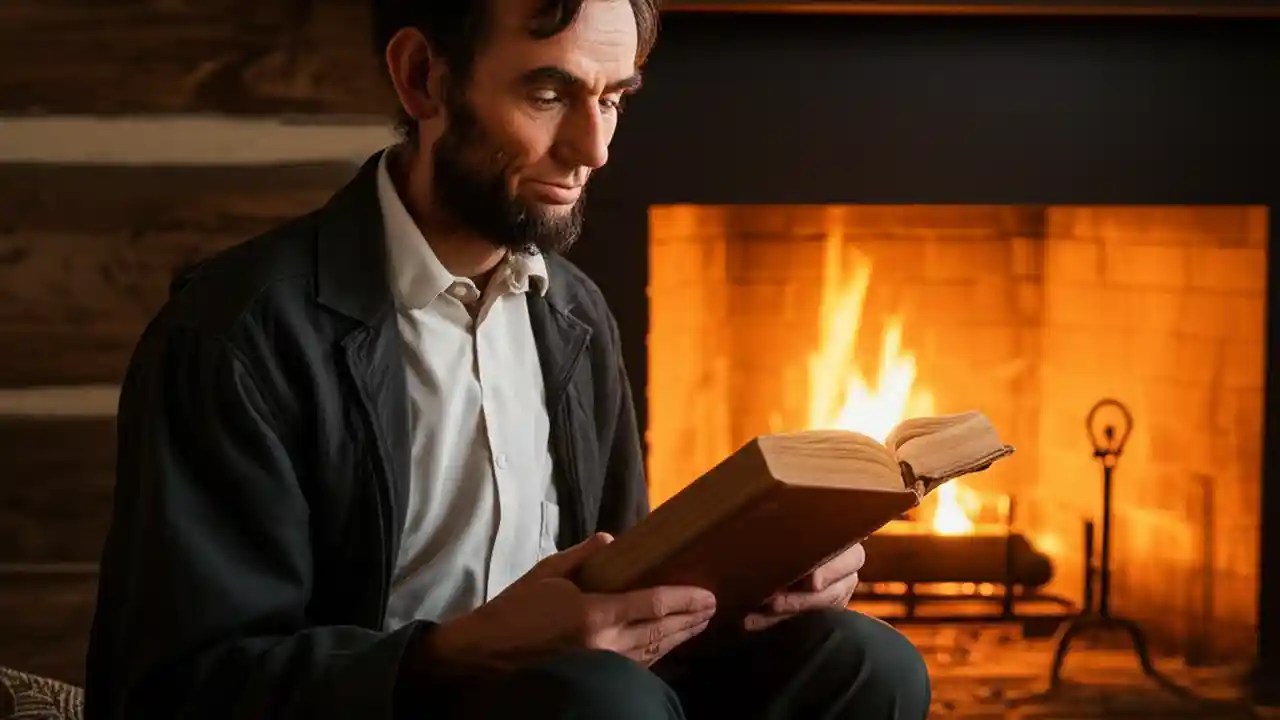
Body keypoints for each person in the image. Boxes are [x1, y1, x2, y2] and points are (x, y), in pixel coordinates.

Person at [84, 0, 931, 717]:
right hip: (402, 704)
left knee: (865, 662)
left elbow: (618, 581)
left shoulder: (574, 313)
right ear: (423, 77)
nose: (593, 150)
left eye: (614, 99)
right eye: (549, 92)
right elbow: (173, 687)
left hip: (588, 694)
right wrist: (448, 656)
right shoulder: (239, 331)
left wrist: (762, 586)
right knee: (607, 703)